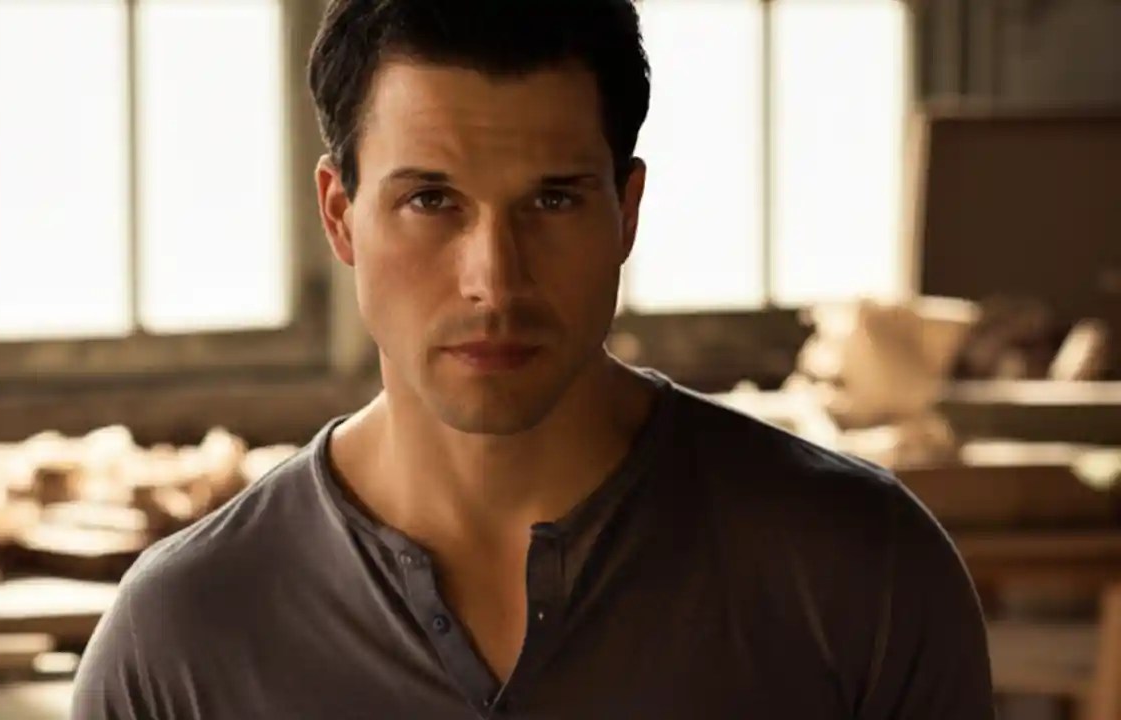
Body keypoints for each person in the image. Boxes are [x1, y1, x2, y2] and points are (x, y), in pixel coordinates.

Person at [71, 1, 994, 717]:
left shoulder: (860, 574)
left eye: (551, 202)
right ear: (339, 215)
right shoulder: (183, 636)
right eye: (432, 201)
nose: (494, 280)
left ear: (626, 212)